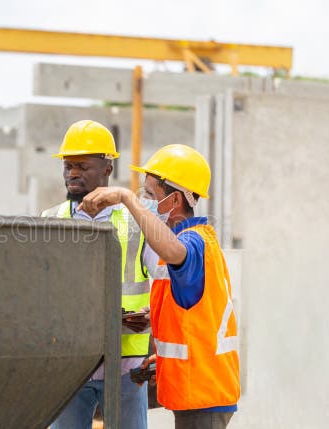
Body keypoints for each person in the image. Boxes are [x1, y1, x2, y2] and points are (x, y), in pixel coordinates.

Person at [79, 144, 240, 429]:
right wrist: (163, 360)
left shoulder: (193, 243)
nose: (146, 201)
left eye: (151, 195)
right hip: (201, 391)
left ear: (175, 200)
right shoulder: (202, 242)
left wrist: (127, 199)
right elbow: (193, 321)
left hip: (203, 396)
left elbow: (174, 250)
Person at [42, 120, 151, 429]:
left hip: (126, 366)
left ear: (107, 168)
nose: (72, 173)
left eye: (82, 166)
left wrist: (150, 313)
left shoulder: (136, 222)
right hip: (68, 366)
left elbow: (167, 279)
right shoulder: (49, 220)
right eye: (68, 166)